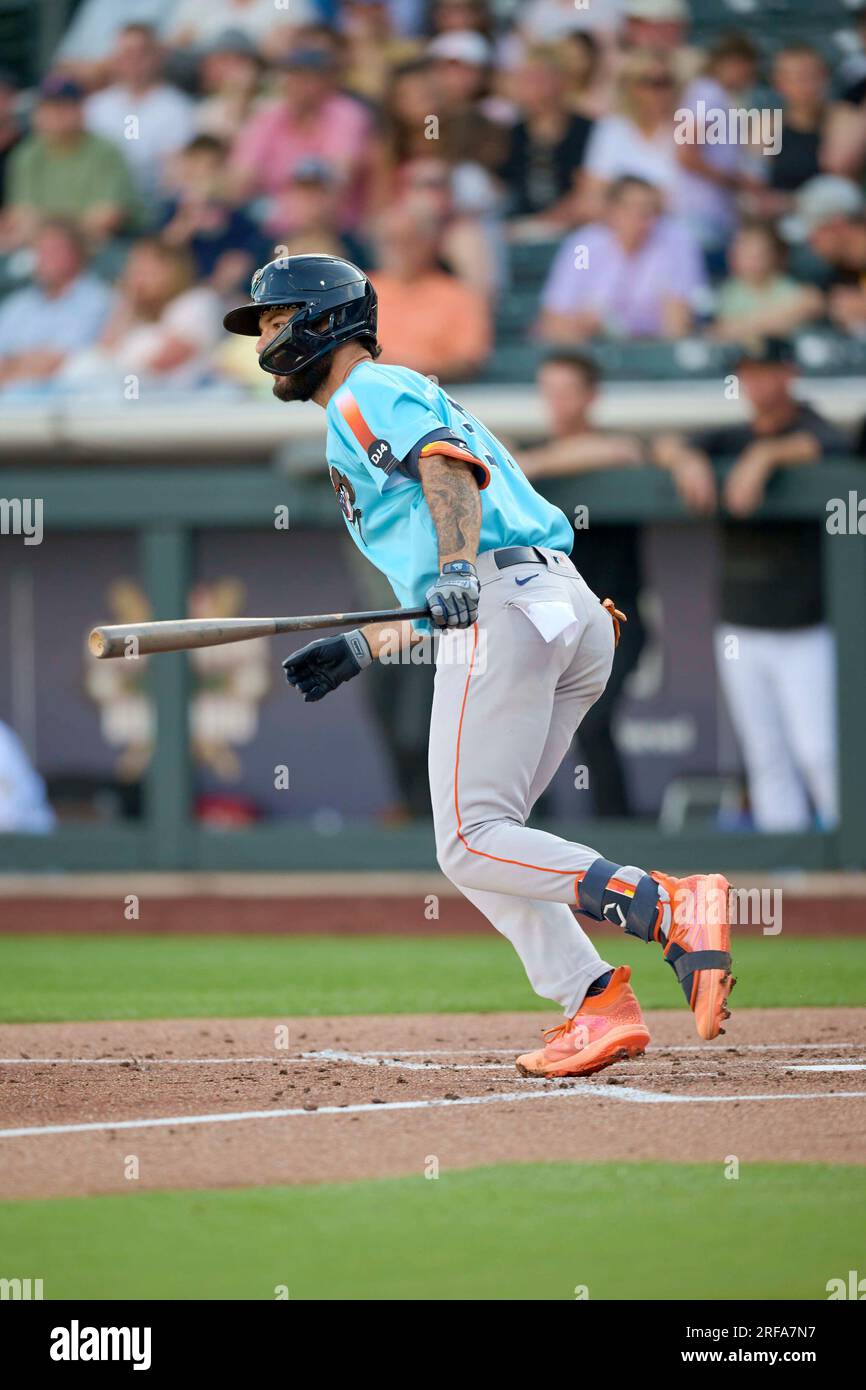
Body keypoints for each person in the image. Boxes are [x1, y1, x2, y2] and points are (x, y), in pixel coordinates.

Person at [222, 252, 735, 1078]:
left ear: (323, 321)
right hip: (556, 606)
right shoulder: (373, 399)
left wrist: (459, 570)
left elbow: (444, 469)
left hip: (508, 603)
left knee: (468, 840)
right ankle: (594, 1002)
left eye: (277, 321)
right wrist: (365, 643)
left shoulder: (365, 391)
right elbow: (440, 592)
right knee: (491, 843)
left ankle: (664, 904)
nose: (267, 341)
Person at [653, 338, 846, 831]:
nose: (756, 383)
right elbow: (667, 442)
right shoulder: (729, 436)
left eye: (765, 371)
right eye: (747, 372)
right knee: (765, 755)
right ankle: (790, 873)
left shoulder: (810, 427)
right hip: (741, 623)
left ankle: (850, 869)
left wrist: (766, 457)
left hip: (805, 622)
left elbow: (834, 444)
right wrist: (687, 460)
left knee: (820, 751)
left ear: (788, 373)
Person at [514, 352, 646, 816]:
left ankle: (618, 842)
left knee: (593, 725)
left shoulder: (613, 446)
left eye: (567, 391)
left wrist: (538, 463)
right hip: (545, 616)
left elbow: (624, 451)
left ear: (591, 396)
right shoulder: (526, 448)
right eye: (549, 391)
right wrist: (532, 460)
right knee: (529, 729)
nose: (557, 403)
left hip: (614, 616)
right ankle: (526, 841)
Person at [537, 175, 707, 342]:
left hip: (653, 349)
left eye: (652, 210)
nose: (643, 218)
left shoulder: (676, 241)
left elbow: (679, 322)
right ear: (612, 210)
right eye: (634, 208)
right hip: (594, 349)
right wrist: (586, 324)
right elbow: (555, 315)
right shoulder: (583, 247)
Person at [229, 47, 374, 235]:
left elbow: (337, 179)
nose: (301, 85)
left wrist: (295, 209)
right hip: (272, 223)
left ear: (329, 81)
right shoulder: (268, 116)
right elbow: (239, 179)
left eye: (311, 77)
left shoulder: (347, 114)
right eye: (295, 76)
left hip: (335, 226)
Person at [61, 238, 222, 391]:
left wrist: (120, 378)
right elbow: (105, 351)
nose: (136, 276)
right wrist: (128, 301)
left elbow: (166, 361)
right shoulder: (133, 312)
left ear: (171, 270)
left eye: (145, 269)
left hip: (168, 398)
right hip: (125, 393)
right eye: (133, 269)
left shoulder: (197, 302)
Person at [1, 75, 140, 249]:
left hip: (100, 245)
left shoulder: (106, 152)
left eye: (63, 107)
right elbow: (21, 215)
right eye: (47, 108)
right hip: (43, 246)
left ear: (81, 110)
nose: (54, 116)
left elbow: (108, 217)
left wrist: (54, 233)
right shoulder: (27, 153)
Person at [371, 203, 491, 378]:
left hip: (437, 393)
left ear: (429, 243)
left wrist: (415, 374)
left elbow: (468, 358)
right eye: (390, 240)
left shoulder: (458, 295)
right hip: (367, 393)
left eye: (408, 240)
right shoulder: (356, 291)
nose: (399, 249)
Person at [83, 23, 195, 202]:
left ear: (157, 56)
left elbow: (176, 174)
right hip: (97, 201)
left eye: (141, 54)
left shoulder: (178, 109)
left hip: (153, 205)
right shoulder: (95, 106)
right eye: (126, 54)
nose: (133, 62)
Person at [0, 218, 111, 392]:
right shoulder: (17, 304)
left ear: (78, 254)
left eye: (55, 250)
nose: (46, 258)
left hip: (68, 404)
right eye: (40, 250)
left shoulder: (97, 301)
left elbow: (58, 361)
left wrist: (14, 363)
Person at [497, 46, 593, 234]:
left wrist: (543, 224)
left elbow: (589, 192)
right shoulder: (511, 135)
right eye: (525, 79)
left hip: (575, 231)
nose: (530, 86)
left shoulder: (588, 131)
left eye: (538, 78)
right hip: (519, 231)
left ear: (561, 81)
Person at [158, 135, 265, 294]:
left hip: (219, 297)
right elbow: (161, 253)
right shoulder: (170, 210)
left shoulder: (239, 220)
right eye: (196, 166)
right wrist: (189, 215)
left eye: (211, 167)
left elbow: (241, 265)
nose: (203, 174)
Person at [709, 219, 823, 344]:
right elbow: (720, 331)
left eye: (758, 254)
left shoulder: (785, 286)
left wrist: (744, 326)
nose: (751, 261)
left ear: (776, 256)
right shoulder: (729, 292)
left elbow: (811, 303)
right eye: (745, 253)